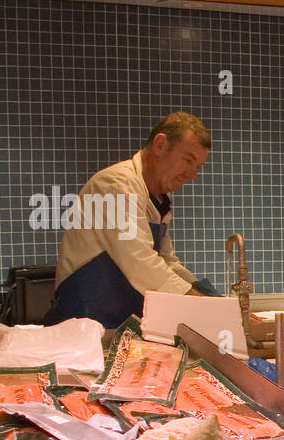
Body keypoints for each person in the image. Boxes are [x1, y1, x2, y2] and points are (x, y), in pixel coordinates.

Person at [44, 111, 216, 328]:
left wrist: (209, 296)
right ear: (160, 145)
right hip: (83, 328)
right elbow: (141, 262)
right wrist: (202, 306)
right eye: (188, 160)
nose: (192, 175)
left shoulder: (157, 199)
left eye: (197, 166)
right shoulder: (115, 185)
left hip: (118, 326)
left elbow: (166, 261)